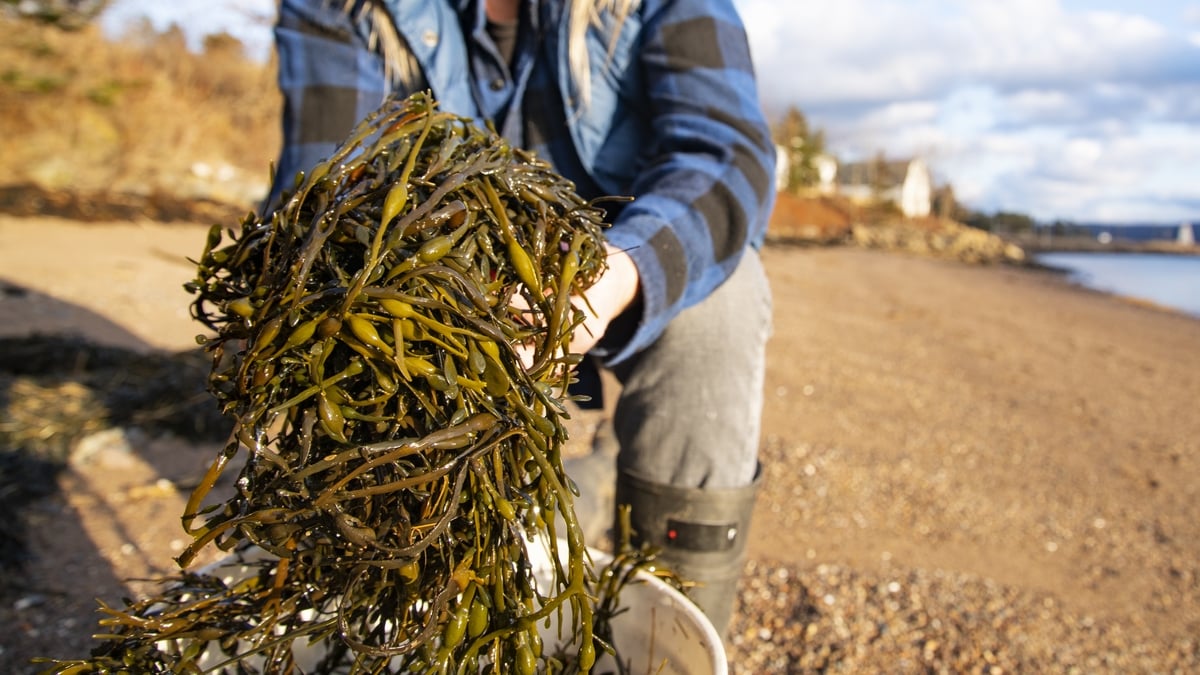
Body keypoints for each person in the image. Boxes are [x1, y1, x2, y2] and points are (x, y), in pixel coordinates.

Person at [268, 0, 775, 638]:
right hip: (448, 310)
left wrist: (618, 271)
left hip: (621, 270)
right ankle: (442, 572)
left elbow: (728, 157)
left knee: (718, 308)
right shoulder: (343, 8)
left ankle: (676, 628)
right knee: (339, 329)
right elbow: (326, 192)